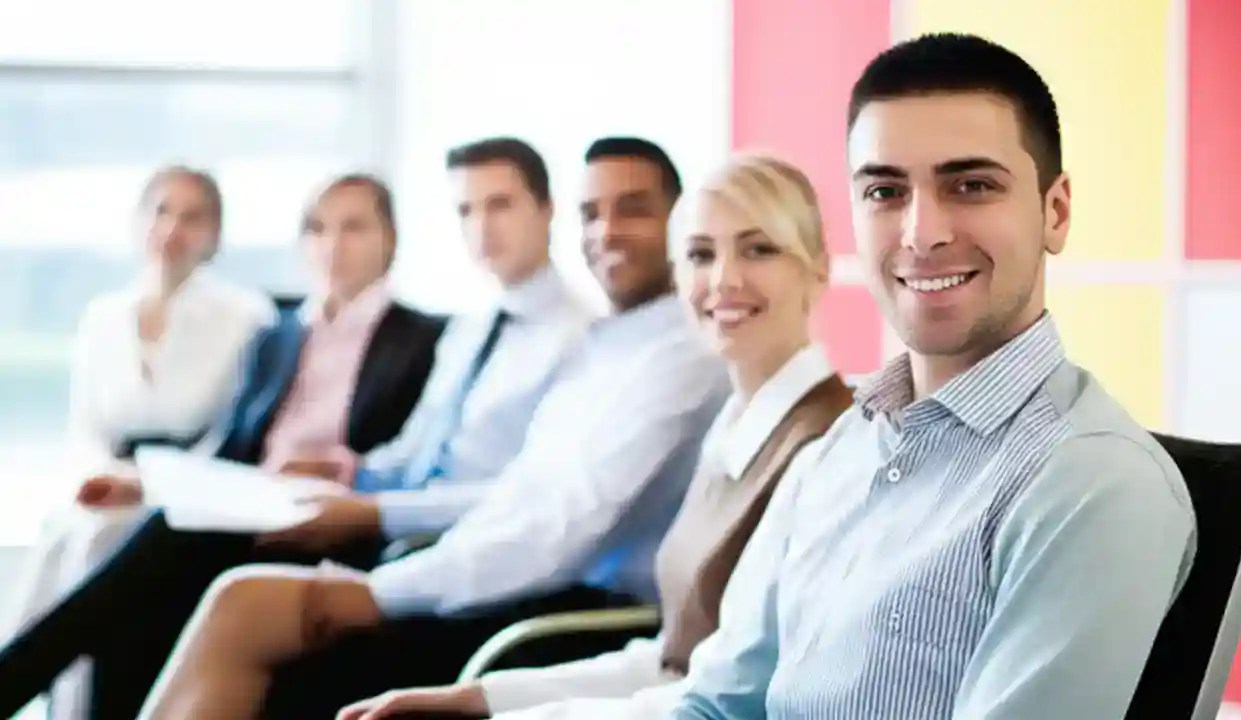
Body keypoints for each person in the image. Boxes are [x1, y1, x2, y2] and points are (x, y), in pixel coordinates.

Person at [672, 33, 1196, 720]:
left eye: (971, 185)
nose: (921, 233)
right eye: (885, 190)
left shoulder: (1093, 484)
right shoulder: (836, 450)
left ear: (1055, 212)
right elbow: (716, 705)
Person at [133, 136, 731, 720]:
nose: (606, 233)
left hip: (564, 611)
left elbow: (556, 531)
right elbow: (516, 497)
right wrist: (354, 483)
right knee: (226, 588)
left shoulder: (677, 357)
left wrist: (381, 586)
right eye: (591, 215)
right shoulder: (606, 347)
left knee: (245, 610)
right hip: (493, 570)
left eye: (633, 210)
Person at [336, 154, 856, 720]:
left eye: (759, 249)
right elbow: (674, 659)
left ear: (818, 269)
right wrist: (477, 699)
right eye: (702, 254)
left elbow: (728, 698)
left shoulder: (826, 444)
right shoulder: (737, 424)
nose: (724, 279)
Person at [0, 173, 449, 720]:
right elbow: (233, 450)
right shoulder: (279, 335)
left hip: (330, 514)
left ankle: (10, 682)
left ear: (390, 239)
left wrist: (345, 468)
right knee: (137, 571)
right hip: (250, 505)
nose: (332, 245)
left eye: (353, 227)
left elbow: (419, 457)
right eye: (317, 229)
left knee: (158, 545)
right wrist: (141, 481)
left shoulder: (424, 337)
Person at [3, 166, 274, 720]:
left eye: (192, 216)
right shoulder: (102, 316)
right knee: (68, 537)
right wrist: (98, 480)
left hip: (186, 494)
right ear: (139, 222)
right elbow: (85, 428)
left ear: (215, 234)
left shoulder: (249, 318)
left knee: (100, 546)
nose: (173, 228)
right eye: (161, 211)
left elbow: (238, 434)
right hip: (105, 486)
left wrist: (147, 485)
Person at [277, 138, 595, 545]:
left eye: (500, 205)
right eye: (466, 210)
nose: (481, 227)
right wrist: (347, 471)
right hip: (402, 526)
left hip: (472, 543)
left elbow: (528, 496)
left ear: (547, 209)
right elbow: (415, 451)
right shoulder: (468, 330)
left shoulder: (582, 339)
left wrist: (375, 514)